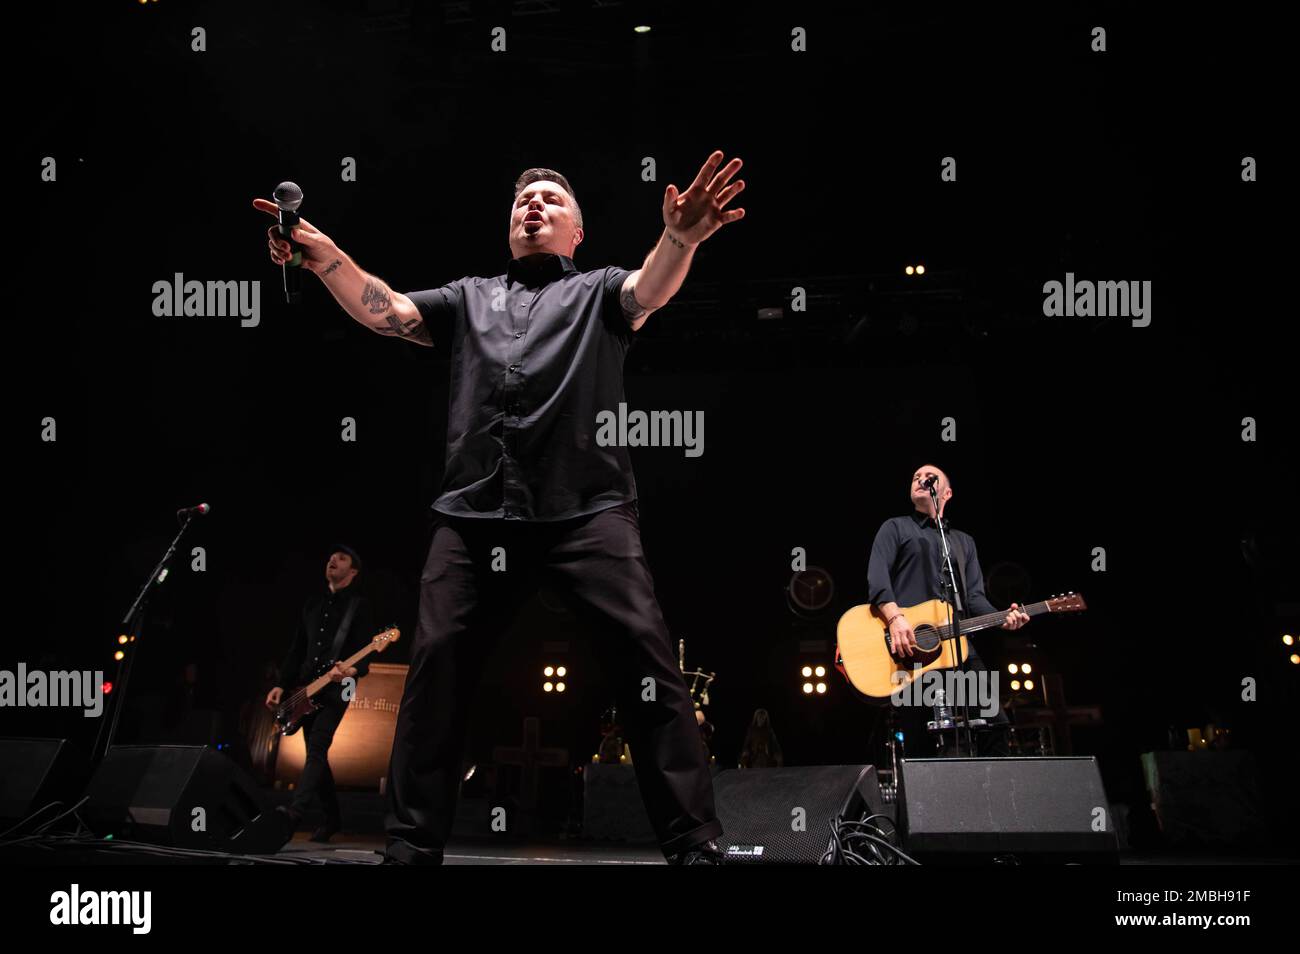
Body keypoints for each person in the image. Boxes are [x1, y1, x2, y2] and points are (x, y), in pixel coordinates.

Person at [253, 150, 746, 864]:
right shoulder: (468, 298)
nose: (534, 206)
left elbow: (650, 291)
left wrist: (681, 239)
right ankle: (411, 847)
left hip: (588, 511)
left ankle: (695, 843)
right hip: (475, 515)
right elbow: (388, 311)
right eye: (523, 201)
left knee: (649, 670)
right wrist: (325, 255)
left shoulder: (601, 291)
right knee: (435, 676)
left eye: (551, 199)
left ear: (577, 232)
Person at [866, 466, 1030, 757]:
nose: (920, 479)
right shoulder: (895, 527)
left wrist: (1003, 618)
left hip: (956, 645)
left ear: (947, 492)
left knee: (995, 724)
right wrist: (895, 617)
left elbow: (975, 598)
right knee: (919, 739)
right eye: (915, 477)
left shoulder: (964, 542)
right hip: (909, 648)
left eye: (929, 476)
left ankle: (991, 800)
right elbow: (877, 578)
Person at [265, 545, 375, 844]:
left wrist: (351, 671)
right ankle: (333, 818)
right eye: (330, 558)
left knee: (317, 748)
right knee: (318, 755)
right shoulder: (312, 604)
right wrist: (281, 683)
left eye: (341, 559)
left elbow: (367, 650)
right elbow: (297, 647)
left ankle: (293, 815)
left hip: (339, 687)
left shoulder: (358, 606)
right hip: (305, 689)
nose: (332, 561)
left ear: (353, 572)